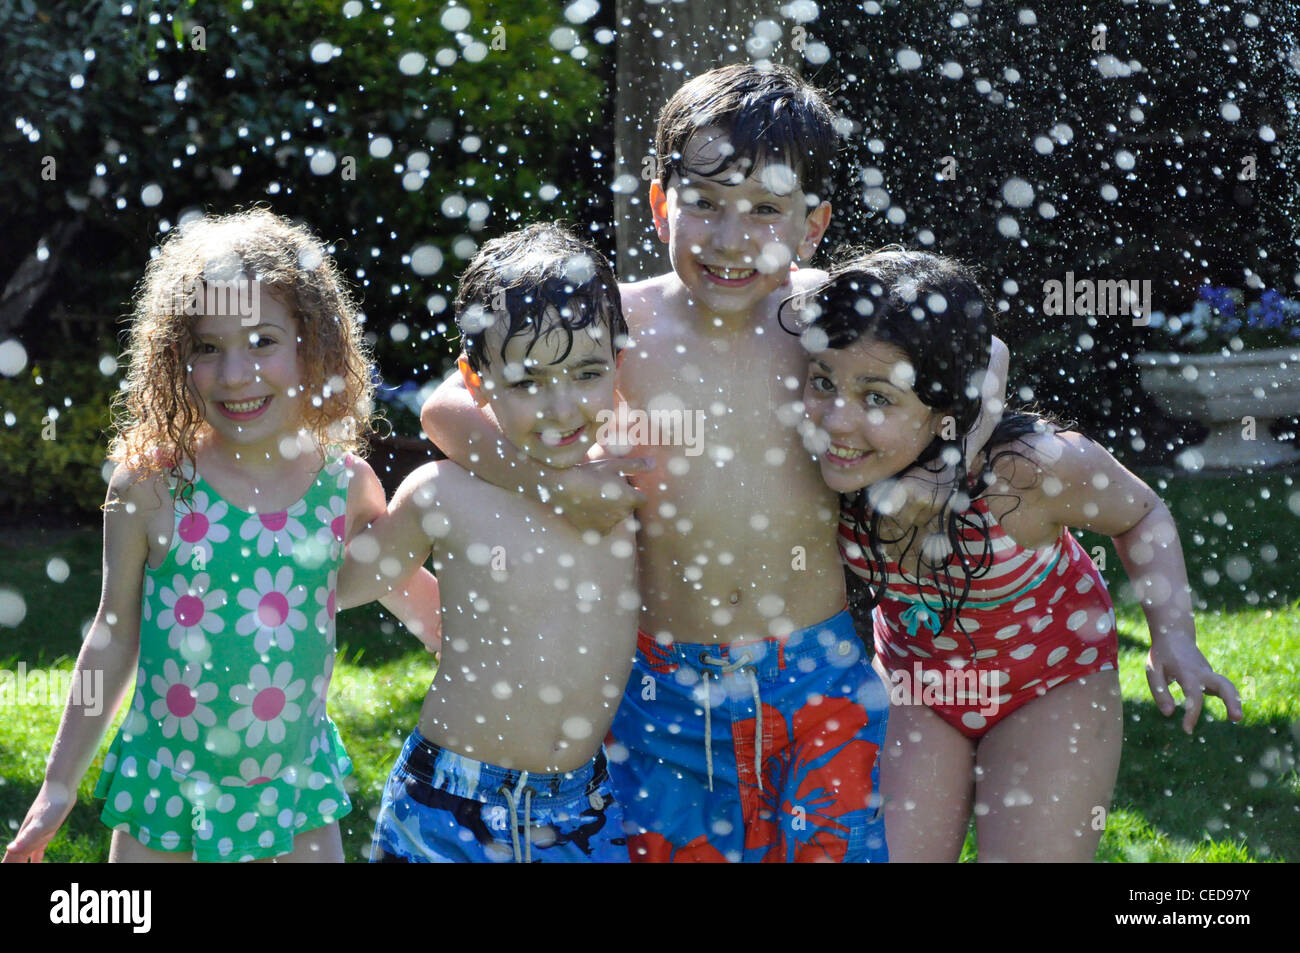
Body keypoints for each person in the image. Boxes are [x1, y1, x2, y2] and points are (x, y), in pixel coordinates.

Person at [422, 64, 1006, 862]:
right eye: (705, 204)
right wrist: (555, 481)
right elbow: (445, 405)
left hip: (817, 670)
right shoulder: (616, 325)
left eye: (766, 209)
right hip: (657, 684)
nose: (731, 240)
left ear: (813, 224)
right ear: (661, 202)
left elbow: (986, 350)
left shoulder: (827, 318)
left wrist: (953, 458)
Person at [3, 209, 438, 864]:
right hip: (167, 800)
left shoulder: (342, 487)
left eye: (263, 339)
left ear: (312, 344)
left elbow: (420, 605)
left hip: (292, 796)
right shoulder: (151, 485)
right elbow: (114, 631)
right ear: (176, 356)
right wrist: (57, 786)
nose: (235, 373)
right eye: (208, 347)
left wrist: (497, 669)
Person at [790, 247, 1244, 861]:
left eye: (877, 397)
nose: (837, 421)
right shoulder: (822, 470)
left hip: (1052, 681)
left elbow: (1142, 516)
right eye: (823, 382)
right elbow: (992, 350)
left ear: (949, 405)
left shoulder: (1025, 473)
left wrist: (1175, 638)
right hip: (918, 683)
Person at [341, 223, 638, 863]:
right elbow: (342, 585)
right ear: (476, 384)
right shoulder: (443, 493)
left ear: (618, 364)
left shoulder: (629, 489)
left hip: (584, 808)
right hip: (448, 803)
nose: (561, 407)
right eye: (528, 382)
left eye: (586, 372)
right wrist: (330, 500)